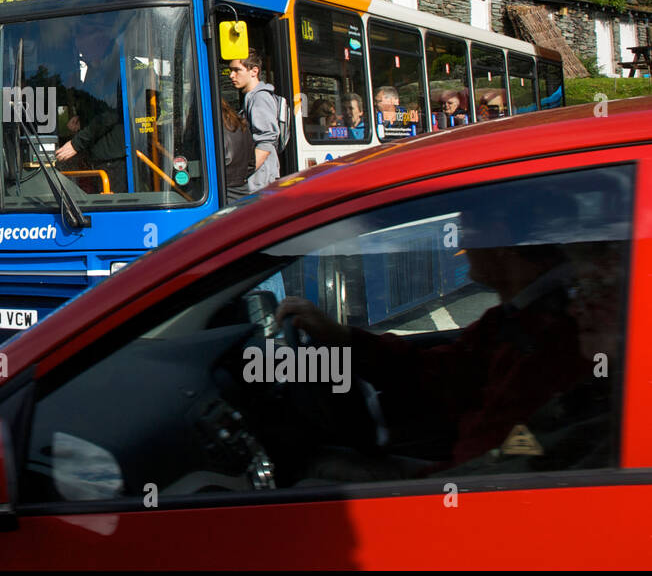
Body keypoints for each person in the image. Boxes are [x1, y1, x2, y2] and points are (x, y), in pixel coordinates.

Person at [274, 204, 619, 473]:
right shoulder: (516, 319)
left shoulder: (549, 338)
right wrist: (343, 336)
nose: (460, 243)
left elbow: (487, 469)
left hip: (471, 488)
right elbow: (442, 371)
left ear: (497, 240)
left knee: (310, 475)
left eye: (466, 230)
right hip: (470, 473)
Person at [56, 19, 126, 192]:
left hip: (115, 161)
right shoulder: (95, 70)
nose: (78, 46)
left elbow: (110, 114)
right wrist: (81, 118)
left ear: (100, 38)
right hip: (99, 158)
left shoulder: (117, 67)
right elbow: (97, 108)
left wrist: (76, 144)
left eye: (81, 38)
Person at [228, 54, 281, 193]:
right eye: (230, 71)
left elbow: (266, 142)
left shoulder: (260, 97)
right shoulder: (251, 98)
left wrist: (243, 174)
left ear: (254, 71)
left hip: (259, 180)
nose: (231, 75)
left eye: (237, 70)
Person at [220, 101, 255, 203]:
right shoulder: (240, 124)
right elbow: (251, 164)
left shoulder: (208, 127)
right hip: (242, 189)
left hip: (224, 190)